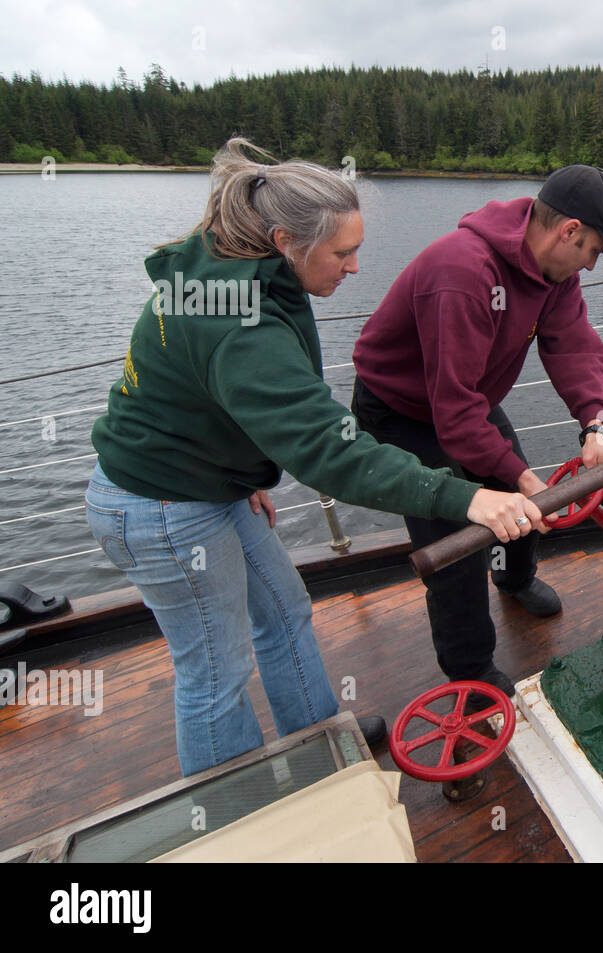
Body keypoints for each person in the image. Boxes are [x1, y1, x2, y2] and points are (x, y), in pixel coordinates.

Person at [84, 138, 542, 777]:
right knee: (216, 673)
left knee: (285, 612)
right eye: (343, 253)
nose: (355, 268)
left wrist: (238, 469)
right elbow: (330, 450)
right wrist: (465, 495)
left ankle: (322, 750)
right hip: (159, 506)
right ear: (285, 238)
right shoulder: (241, 325)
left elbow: (199, 389)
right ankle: (238, 819)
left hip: (207, 486)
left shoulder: (239, 268)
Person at [350, 164, 603, 698]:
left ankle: (514, 578)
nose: (593, 265)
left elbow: (571, 345)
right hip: (402, 408)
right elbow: (452, 412)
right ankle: (470, 668)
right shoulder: (463, 272)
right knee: (456, 542)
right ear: (567, 231)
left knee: (516, 498)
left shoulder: (556, 274)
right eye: (595, 249)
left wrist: (594, 424)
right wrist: (525, 480)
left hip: (466, 399)